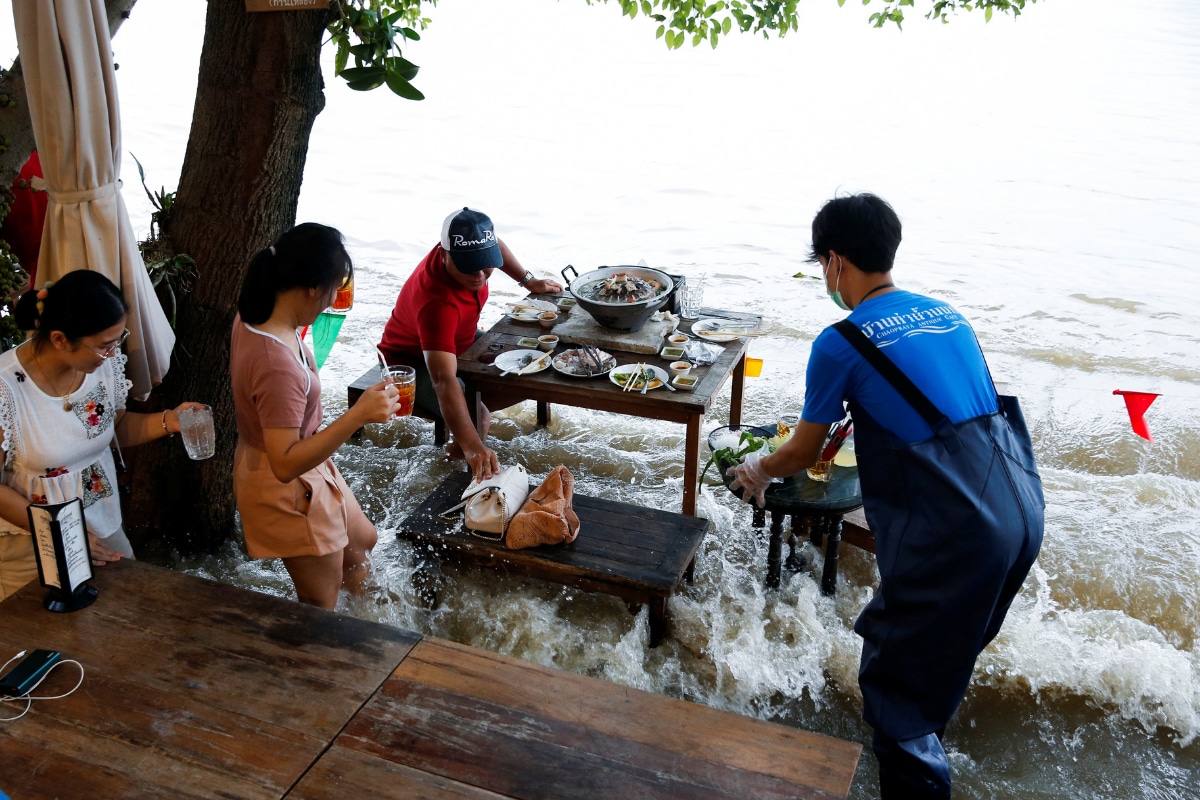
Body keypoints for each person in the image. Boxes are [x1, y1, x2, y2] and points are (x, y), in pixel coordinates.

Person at [728, 193, 1045, 799]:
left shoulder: (839, 342)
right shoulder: (948, 315)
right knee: (929, 668)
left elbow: (801, 452)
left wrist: (759, 470)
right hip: (1019, 510)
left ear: (835, 262)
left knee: (896, 691)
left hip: (959, 530)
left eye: (823, 263)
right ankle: (925, 746)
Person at [0, 270, 203, 601]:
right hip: (30, 539)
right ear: (60, 339)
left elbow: (109, 428)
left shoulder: (101, 365)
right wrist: (62, 535)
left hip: (99, 518)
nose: (113, 354)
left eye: (118, 341)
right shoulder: (5, 390)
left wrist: (170, 421)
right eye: (105, 346)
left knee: (129, 614)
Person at [230, 223, 399, 610]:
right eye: (333, 289)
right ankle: (317, 664)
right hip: (285, 484)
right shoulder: (276, 363)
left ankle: (366, 629)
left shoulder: (257, 311)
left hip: (308, 463)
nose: (334, 300)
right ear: (310, 289)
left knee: (362, 544)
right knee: (318, 603)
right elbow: (285, 463)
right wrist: (358, 415)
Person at [377, 207, 562, 483]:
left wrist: (528, 280)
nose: (479, 274)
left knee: (532, 366)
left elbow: (495, 245)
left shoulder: (466, 249)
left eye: (485, 262)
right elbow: (443, 380)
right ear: (443, 254)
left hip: (460, 339)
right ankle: (443, 474)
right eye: (469, 266)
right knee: (479, 418)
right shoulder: (436, 302)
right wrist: (474, 446)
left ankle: (461, 429)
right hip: (410, 362)